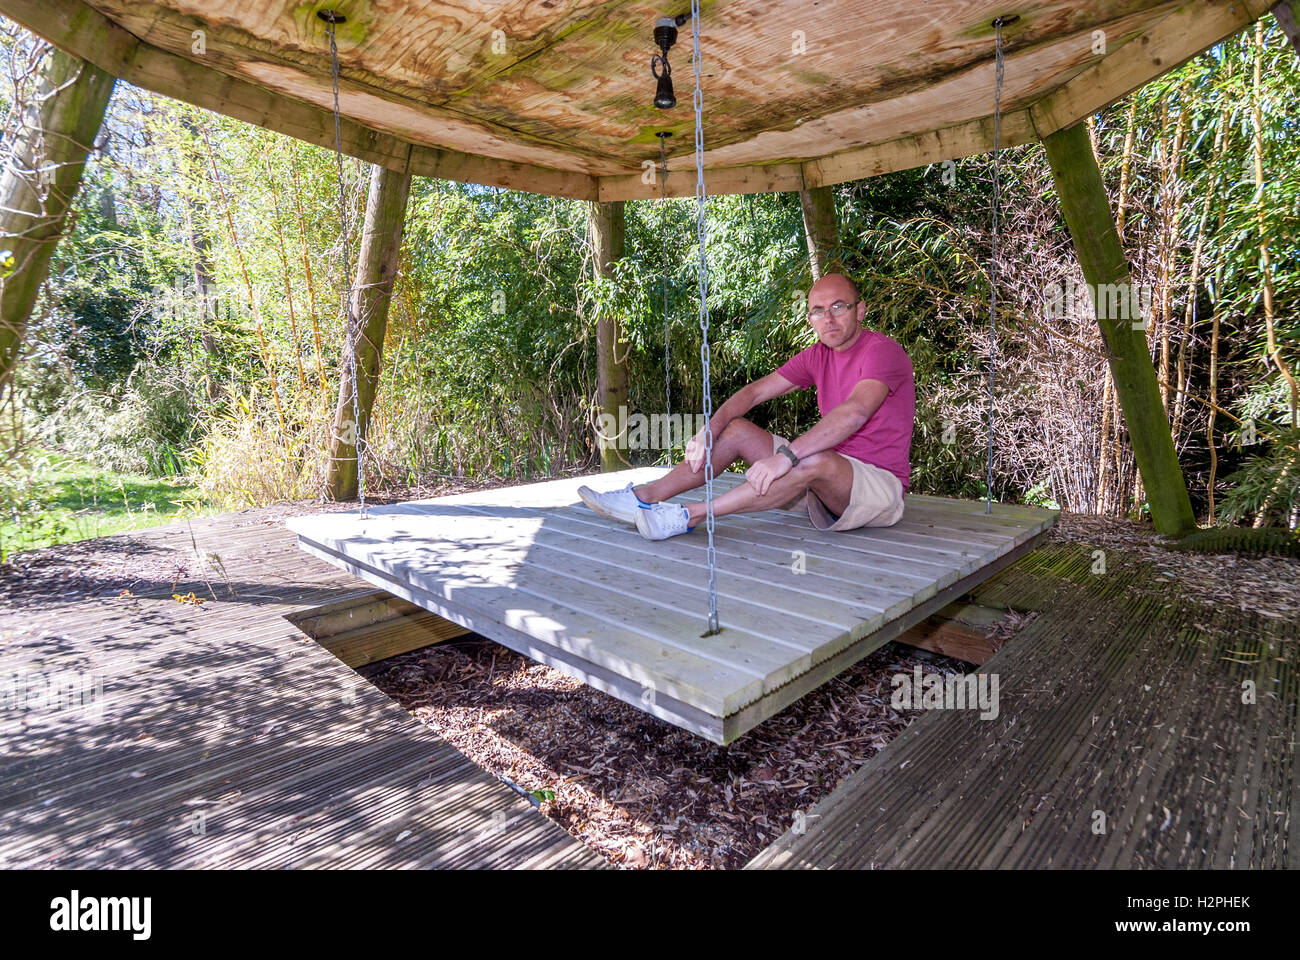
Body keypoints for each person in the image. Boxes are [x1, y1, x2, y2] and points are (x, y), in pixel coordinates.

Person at [577, 272, 914, 540]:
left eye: (839, 307)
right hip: (822, 483)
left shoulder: (881, 352)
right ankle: (644, 497)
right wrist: (708, 431)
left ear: (860, 309)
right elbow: (752, 394)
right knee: (735, 430)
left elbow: (854, 412)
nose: (828, 319)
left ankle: (689, 515)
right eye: (818, 311)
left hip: (877, 490)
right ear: (810, 318)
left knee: (815, 458)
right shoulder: (818, 355)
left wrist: (786, 457)